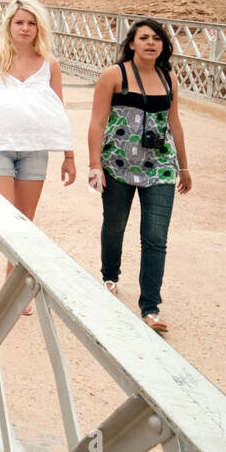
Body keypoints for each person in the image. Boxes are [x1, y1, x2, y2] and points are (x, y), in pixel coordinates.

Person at [0, 0, 76, 314]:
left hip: (35, 149)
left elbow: (58, 111)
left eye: (31, 23)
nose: (25, 28)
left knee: (24, 221)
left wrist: (69, 155)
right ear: (9, 25)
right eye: (19, 22)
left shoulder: (49, 64)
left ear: (39, 27)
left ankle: (14, 287)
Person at [86, 18, 190, 334]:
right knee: (115, 225)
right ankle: (110, 276)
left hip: (160, 168)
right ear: (131, 44)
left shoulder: (168, 77)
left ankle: (151, 309)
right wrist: (94, 165)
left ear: (163, 45)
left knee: (155, 237)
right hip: (118, 166)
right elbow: (97, 122)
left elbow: (174, 124)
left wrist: (184, 166)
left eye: (157, 38)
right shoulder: (114, 75)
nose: (150, 42)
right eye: (143, 37)